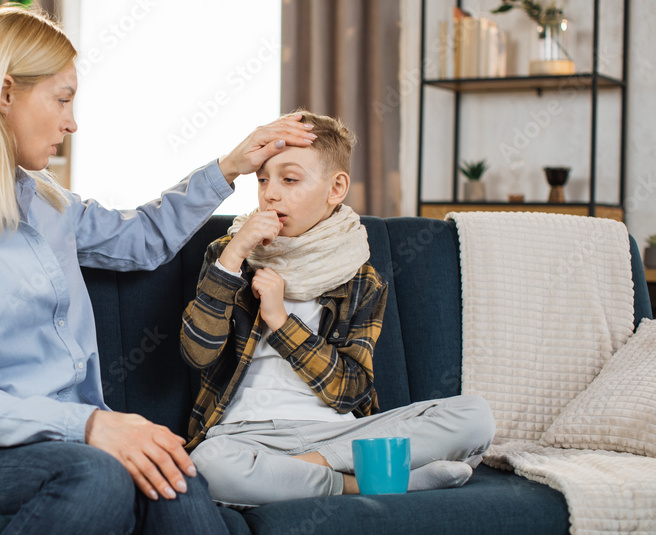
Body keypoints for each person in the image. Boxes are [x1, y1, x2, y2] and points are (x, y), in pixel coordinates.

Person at [0, 3, 317, 535]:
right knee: (99, 474)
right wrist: (92, 427)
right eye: (62, 98)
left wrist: (228, 167)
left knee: (170, 468)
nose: (72, 122)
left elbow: (142, 239)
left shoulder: (46, 202)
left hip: (70, 445)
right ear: (4, 94)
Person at [180, 111, 496, 508]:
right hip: (246, 436)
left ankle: (302, 472)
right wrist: (233, 258)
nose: (270, 194)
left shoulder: (360, 276)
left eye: (289, 179)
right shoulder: (228, 254)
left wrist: (280, 322)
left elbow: (350, 391)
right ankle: (364, 484)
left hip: (341, 437)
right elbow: (198, 353)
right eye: (262, 179)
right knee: (208, 465)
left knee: (475, 415)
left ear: (336, 188)